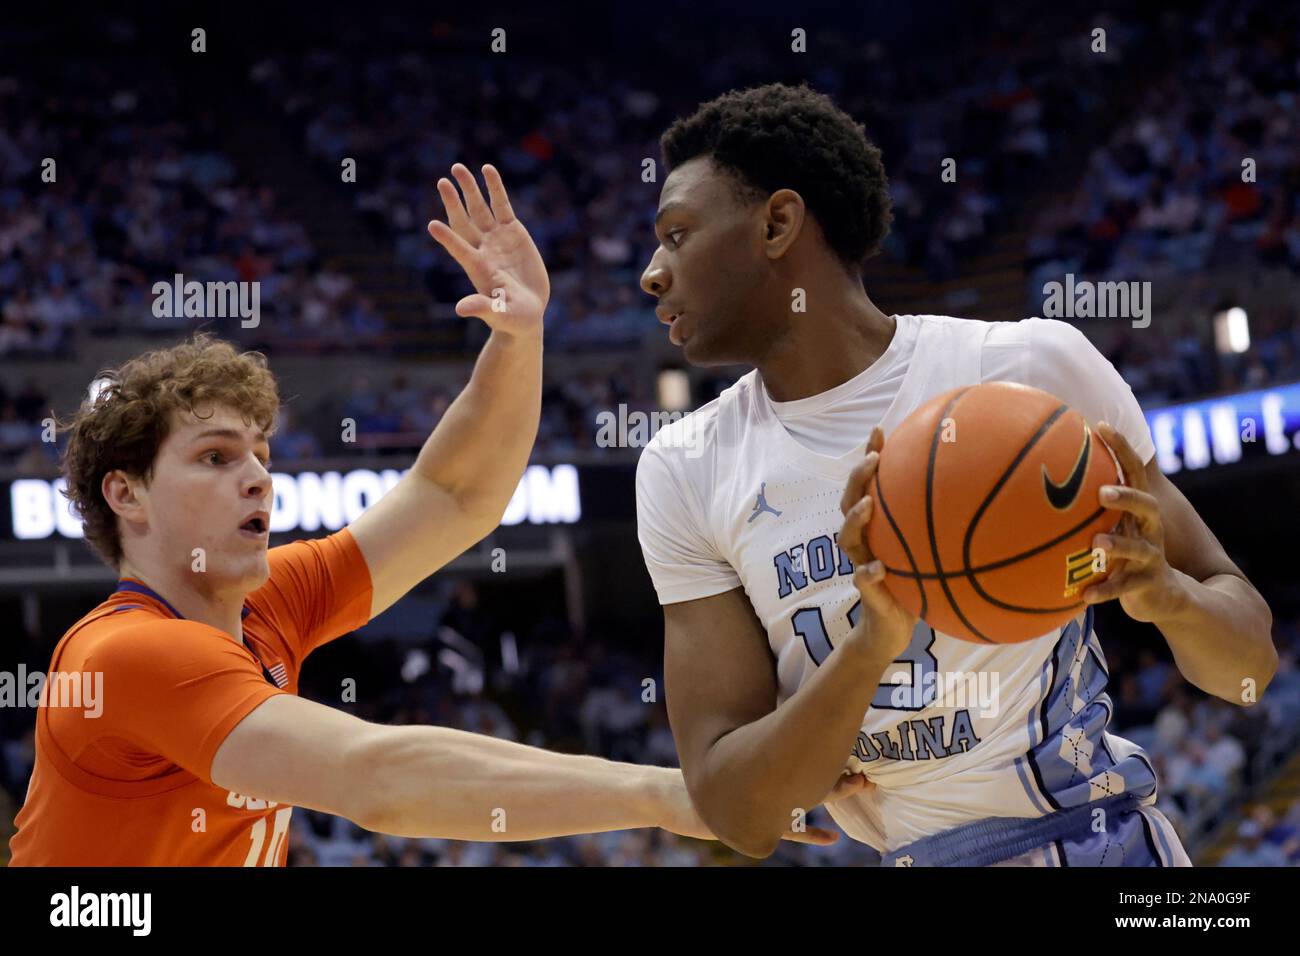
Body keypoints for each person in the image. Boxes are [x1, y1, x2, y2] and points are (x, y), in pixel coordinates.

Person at [9, 164, 859, 866]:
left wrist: (518, 340)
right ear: (127, 495)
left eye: (262, 453)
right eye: (216, 457)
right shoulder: (128, 654)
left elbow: (455, 498)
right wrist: (671, 791)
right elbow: (379, 776)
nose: (259, 478)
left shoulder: (266, 606)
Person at [634, 84, 1277, 866]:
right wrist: (873, 642)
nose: (651, 273)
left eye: (676, 235)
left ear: (777, 224)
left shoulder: (1026, 368)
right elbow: (740, 813)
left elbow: (1249, 670)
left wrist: (1170, 599)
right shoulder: (684, 468)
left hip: (1094, 841)